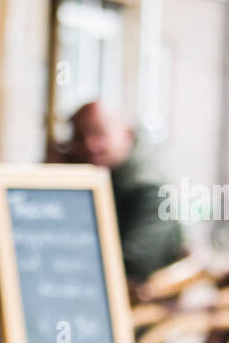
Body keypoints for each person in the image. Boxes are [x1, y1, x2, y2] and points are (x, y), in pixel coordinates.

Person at [52, 101, 184, 284]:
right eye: (79, 137)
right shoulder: (83, 178)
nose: (90, 145)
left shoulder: (149, 188)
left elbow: (135, 265)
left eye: (99, 133)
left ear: (126, 136)